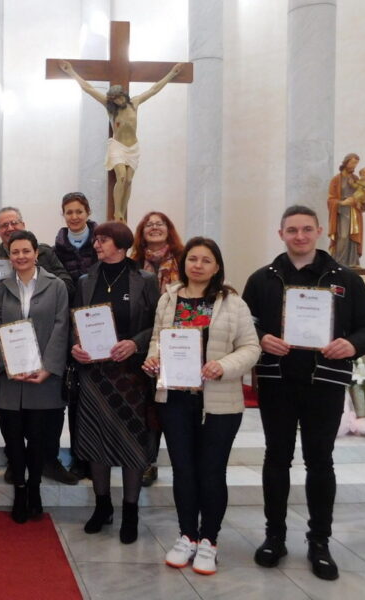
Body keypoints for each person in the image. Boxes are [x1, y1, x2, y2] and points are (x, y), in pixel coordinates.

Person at [243, 205, 365, 581]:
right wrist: (261, 338)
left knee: (320, 462)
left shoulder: (346, 279)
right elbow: (243, 325)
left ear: (319, 231)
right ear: (280, 233)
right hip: (277, 382)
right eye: (292, 230)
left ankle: (319, 541)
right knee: (277, 459)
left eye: (306, 229)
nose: (299, 236)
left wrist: (351, 345)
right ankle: (275, 537)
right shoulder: (262, 279)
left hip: (326, 383)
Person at [142, 237, 260, 575]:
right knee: (183, 470)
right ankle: (186, 536)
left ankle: (209, 540)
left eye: (206, 260)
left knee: (211, 471)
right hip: (175, 399)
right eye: (192, 258)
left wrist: (224, 366)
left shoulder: (232, 303)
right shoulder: (169, 298)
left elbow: (251, 348)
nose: (198, 265)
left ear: (217, 266)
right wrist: (153, 360)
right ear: (184, 263)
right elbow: (156, 340)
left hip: (219, 401)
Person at [70, 221, 159, 544]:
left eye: (103, 240)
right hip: (94, 375)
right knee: (96, 440)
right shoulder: (85, 280)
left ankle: (131, 510)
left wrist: (135, 343)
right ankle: (102, 505)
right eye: (96, 240)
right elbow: (75, 320)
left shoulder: (145, 280)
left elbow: (157, 325)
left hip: (131, 374)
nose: (97, 244)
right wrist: (75, 346)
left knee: (132, 444)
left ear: (121, 244)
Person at [0, 230, 70, 524]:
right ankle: (19, 490)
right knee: (13, 440)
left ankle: (34, 489)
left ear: (37, 253)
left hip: (43, 379)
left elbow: (62, 327)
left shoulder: (56, 285)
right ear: (9, 256)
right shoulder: (0, 287)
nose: (20, 256)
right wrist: (6, 366)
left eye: (26, 251)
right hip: (11, 379)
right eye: (15, 252)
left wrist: (47, 367)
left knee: (38, 440)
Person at [58, 61, 183, 222]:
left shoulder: (135, 103)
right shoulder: (110, 108)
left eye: (119, 98)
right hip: (118, 146)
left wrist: (172, 73)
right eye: (114, 99)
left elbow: (154, 89)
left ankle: (123, 211)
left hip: (133, 147)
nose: (117, 101)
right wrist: (71, 72)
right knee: (121, 177)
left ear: (123, 96)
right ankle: (118, 213)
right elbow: (88, 88)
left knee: (129, 180)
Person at [130, 211, 185, 487]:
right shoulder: (133, 262)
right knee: (144, 406)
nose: (154, 228)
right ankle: (142, 460)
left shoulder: (184, 261)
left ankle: (152, 460)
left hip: (174, 342)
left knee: (161, 406)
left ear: (169, 229)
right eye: (148, 224)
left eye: (159, 223)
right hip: (140, 342)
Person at [52, 192, 99, 481]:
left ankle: (99, 454)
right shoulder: (55, 249)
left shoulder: (101, 241)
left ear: (87, 212)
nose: (74, 217)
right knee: (76, 396)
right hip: (72, 324)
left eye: (79, 211)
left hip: (100, 322)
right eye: (69, 212)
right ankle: (80, 456)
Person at [328, 153, 365, 267]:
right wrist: (342, 202)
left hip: (354, 212)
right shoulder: (336, 180)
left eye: (356, 163)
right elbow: (330, 199)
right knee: (343, 236)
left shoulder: (356, 179)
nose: (354, 166)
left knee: (353, 238)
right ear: (346, 162)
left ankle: (352, 262)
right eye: (353, 163)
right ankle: (339, 263)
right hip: (341, 212)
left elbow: (362, 195)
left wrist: (362, 201)